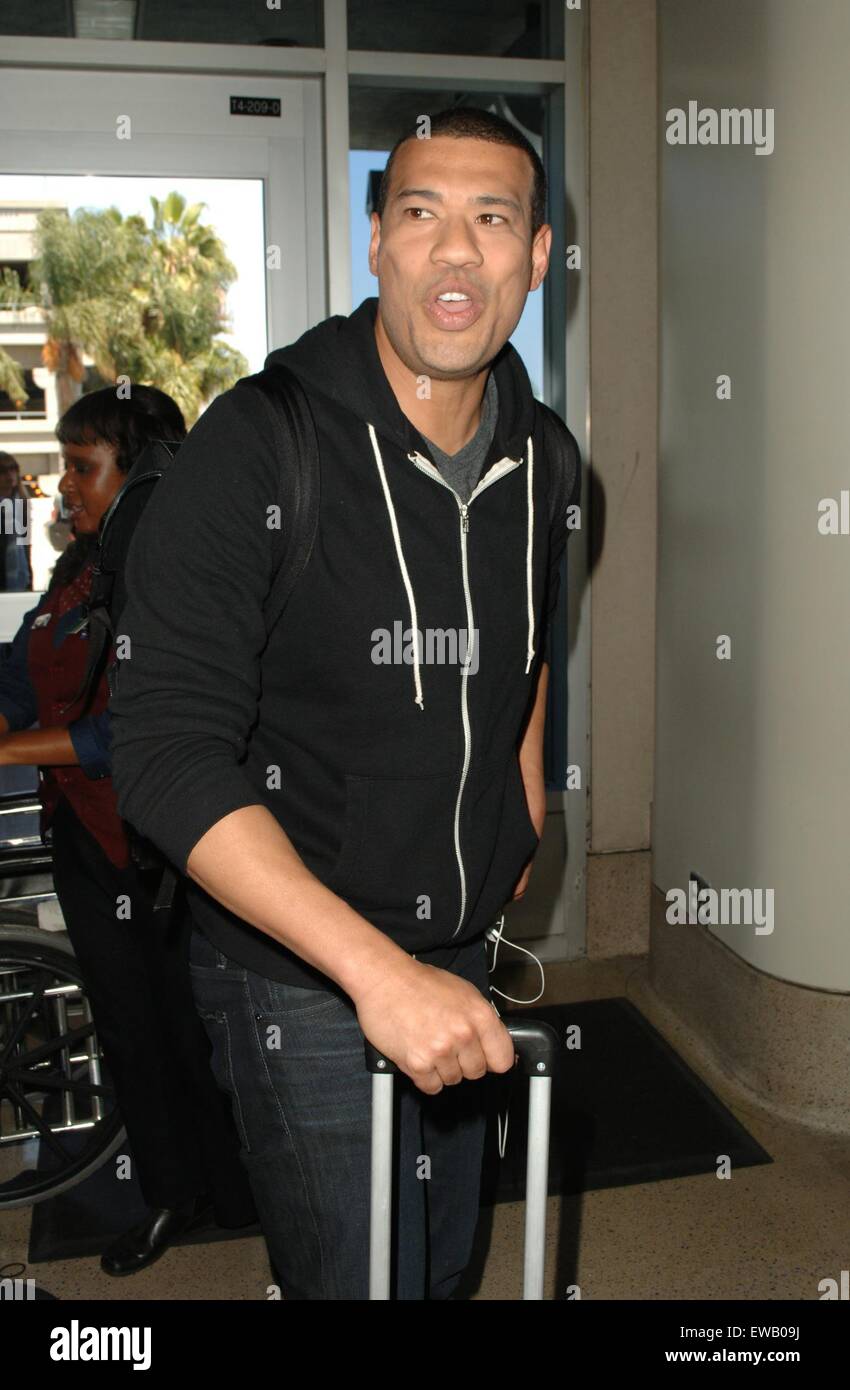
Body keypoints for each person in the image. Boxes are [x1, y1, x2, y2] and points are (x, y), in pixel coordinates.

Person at [109, 106, 581, 1299]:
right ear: (375, 242)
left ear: (535, 259)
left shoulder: (550, 460)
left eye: (493, 219)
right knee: (360, 1277)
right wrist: (376, 974)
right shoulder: (256, 449)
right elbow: (164, 754)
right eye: (421, 213)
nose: (455, 251)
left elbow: (527, 651)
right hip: (299, 970)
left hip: (460, 952)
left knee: (443, 1263)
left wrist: (520, 803)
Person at [0, 385, 256, 1276]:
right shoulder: (76, 571)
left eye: (82, 468)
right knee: (128, 1029)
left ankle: (242, 1192)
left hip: (161, 845)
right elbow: (22, 672)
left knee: (190, 1028)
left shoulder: (170, 571)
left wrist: (11, 746)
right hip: (86, 841)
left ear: (141, 473)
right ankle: (172, 1195)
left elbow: (128, 734)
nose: (64, 486)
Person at [0, 450, 33, 591]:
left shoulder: (21, 506)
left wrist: (29, 582)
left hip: (19, 581)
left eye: (13, 469)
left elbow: (26, 547)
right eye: (2, 470)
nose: (10, 475)